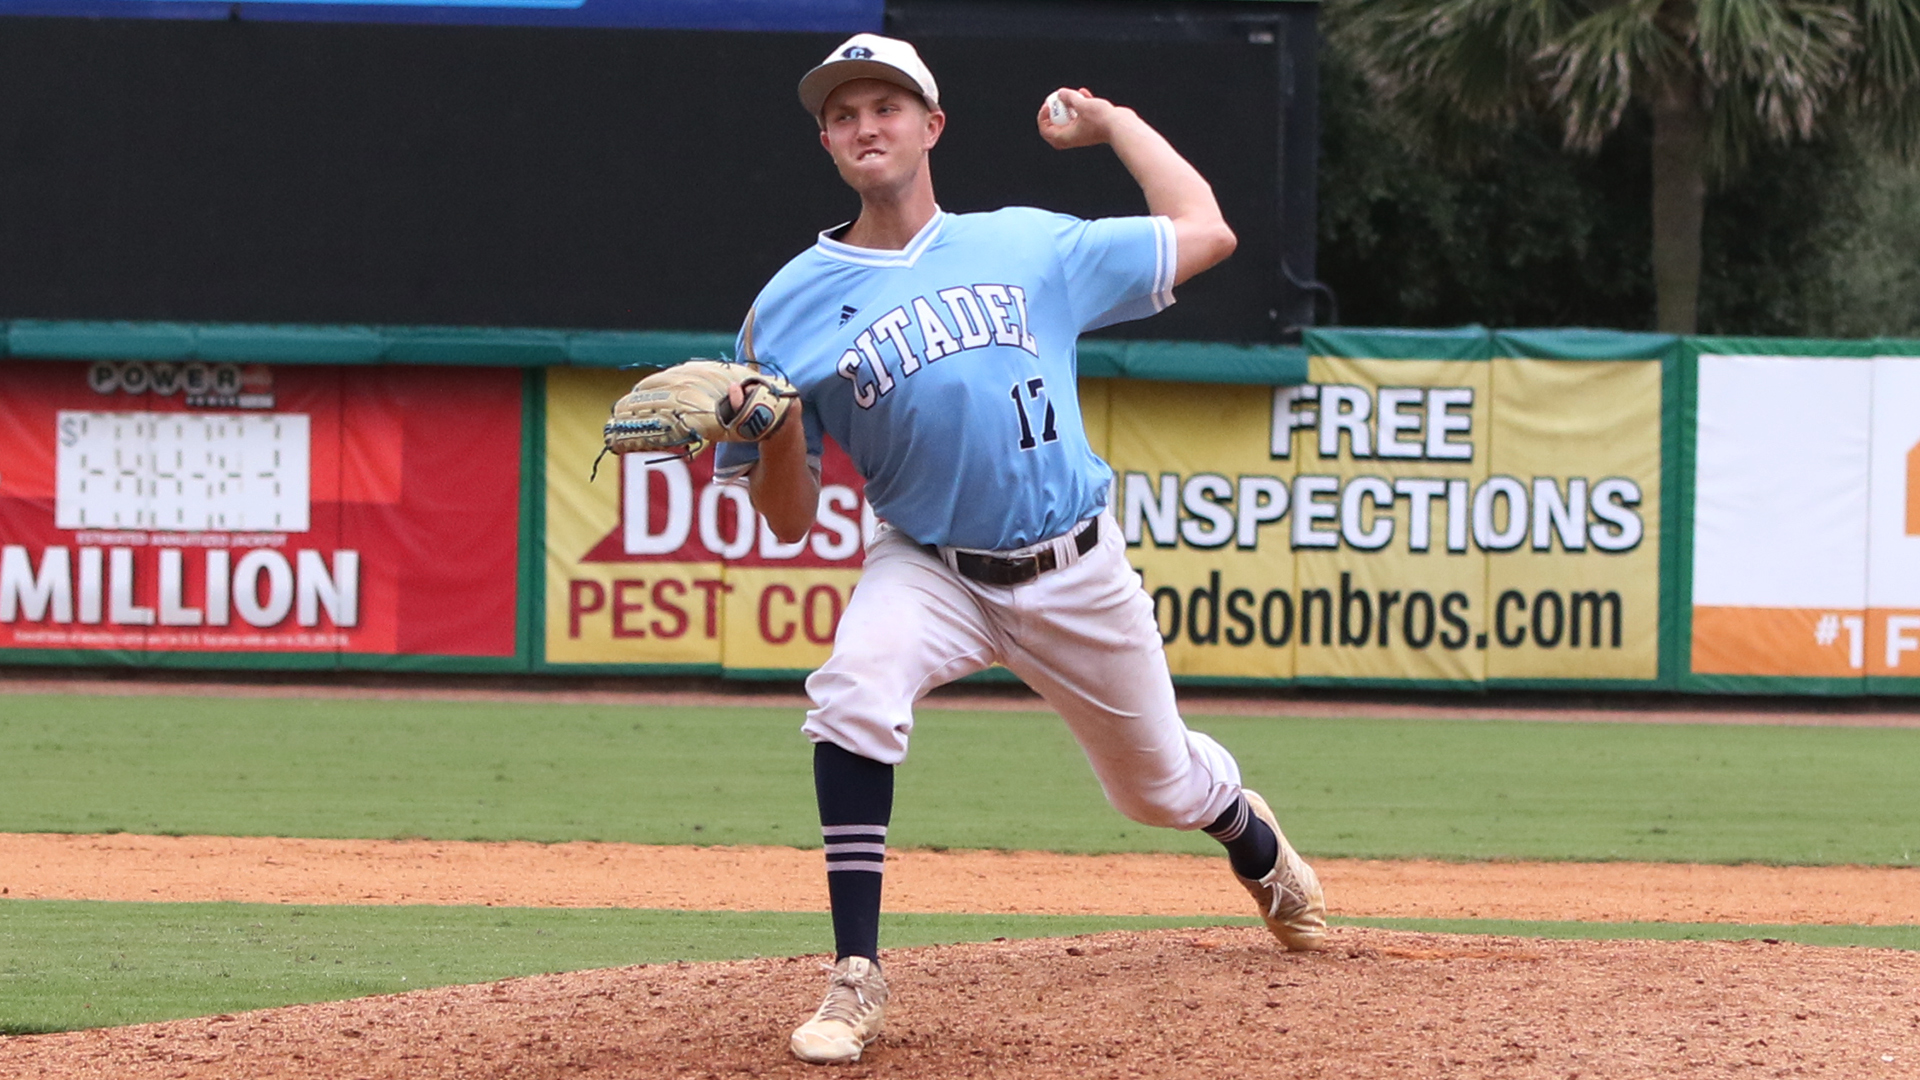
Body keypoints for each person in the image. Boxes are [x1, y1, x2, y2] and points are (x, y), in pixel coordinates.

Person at [713, 32, 1327, 1066]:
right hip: (930, 563)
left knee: (1160, 791)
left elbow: (1205, 229)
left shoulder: (1029, 244)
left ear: (931, 127)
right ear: (826, 141)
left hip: (1076, 568)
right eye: (846, 113)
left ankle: (1247, 833)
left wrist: (1113, 124)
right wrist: (771, 430)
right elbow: (783, 519)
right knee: (853, 688)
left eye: (888, 106)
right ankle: (856, 972)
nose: (868, 125)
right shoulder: (786, 306)